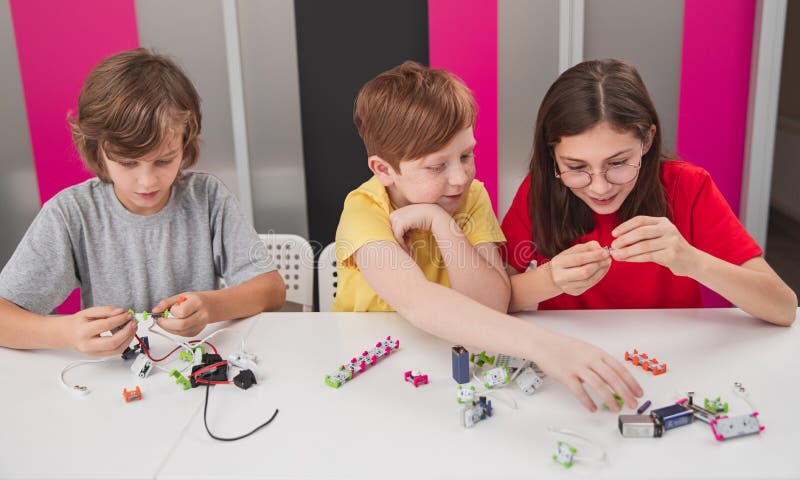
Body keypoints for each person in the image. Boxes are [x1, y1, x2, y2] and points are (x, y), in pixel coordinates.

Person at [333, 61, 642, 412]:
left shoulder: (469, 197)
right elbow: (418, 302)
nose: (460, 177)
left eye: (466, 155)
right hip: (373, 368)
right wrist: (547, 347)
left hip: (442, 361)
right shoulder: (363, 212)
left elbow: (492, 303)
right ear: (384, 170)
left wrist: (441, 223)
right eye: (437, 166)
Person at [0, 48, 286, 356]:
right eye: (128, 163)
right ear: (99, 151)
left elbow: (271, 290)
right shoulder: (72, 214)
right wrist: (66, 333)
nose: (148, 181)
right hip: (110, 382)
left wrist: (209, 307)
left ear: (185, 140)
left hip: (193, 372)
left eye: (164, 161)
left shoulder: (207, 198)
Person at [501, 58, 796, 326]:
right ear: (552, 156)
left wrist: (691, 261)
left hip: (674, 357)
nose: (600, 187)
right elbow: (492, 297)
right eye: (576, 167)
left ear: (647, 140)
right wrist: (550, 279)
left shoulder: (689, 187)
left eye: (617, 163)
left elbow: (783, 308)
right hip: (573, 355)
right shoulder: (538, 190)